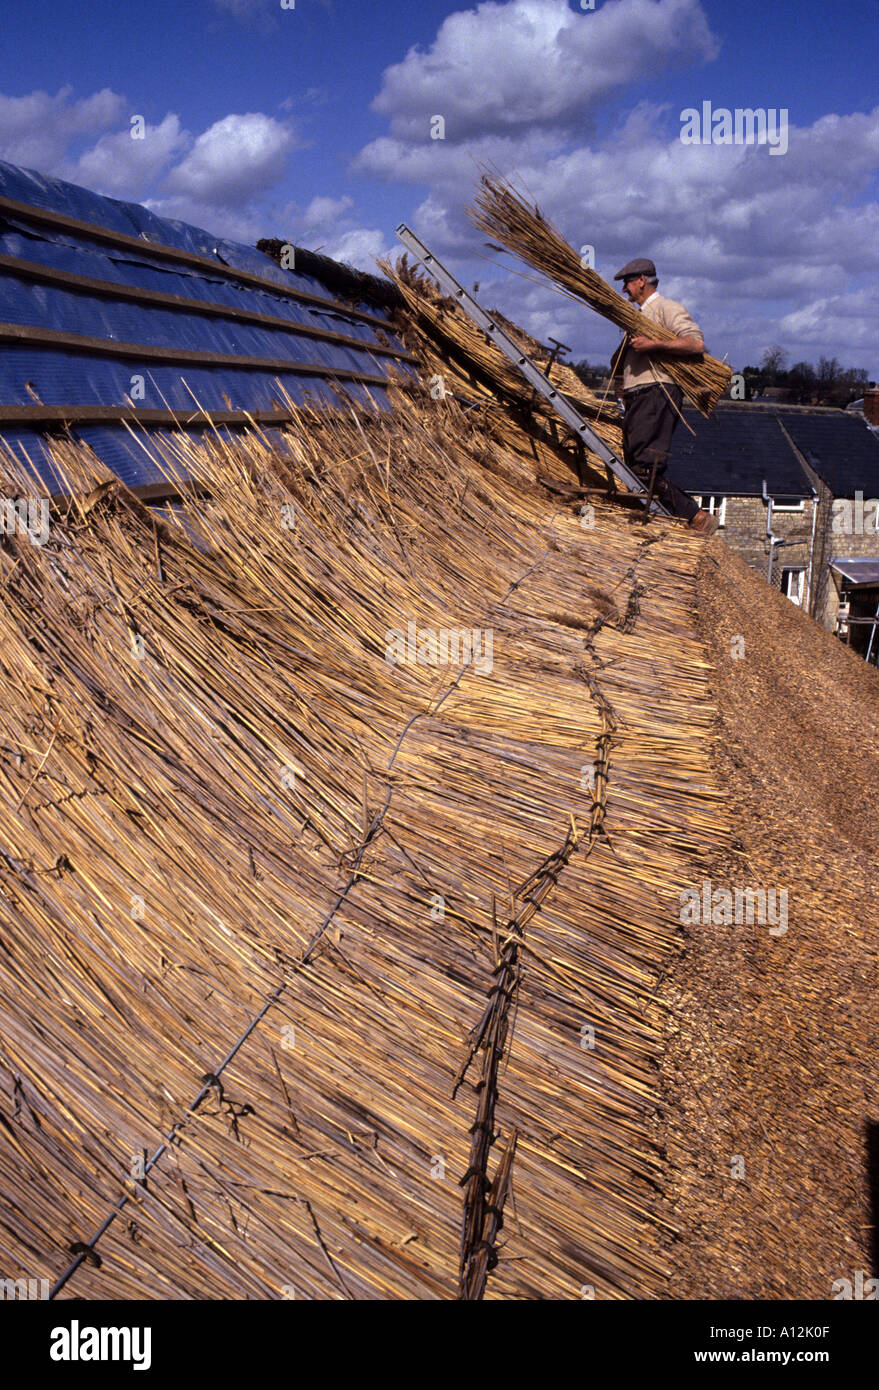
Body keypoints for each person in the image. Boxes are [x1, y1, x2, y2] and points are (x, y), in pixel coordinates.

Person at [611, 258, 718, 534]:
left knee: (645, 470)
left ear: (642, 281)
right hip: (638, 397)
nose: (624, 289)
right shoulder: (637, 318)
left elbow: (696, 344)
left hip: (657, 393)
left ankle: (696, 516)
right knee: (635, 469)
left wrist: (655, 344)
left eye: (627, 282)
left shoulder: (666, 308)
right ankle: (671, 519)